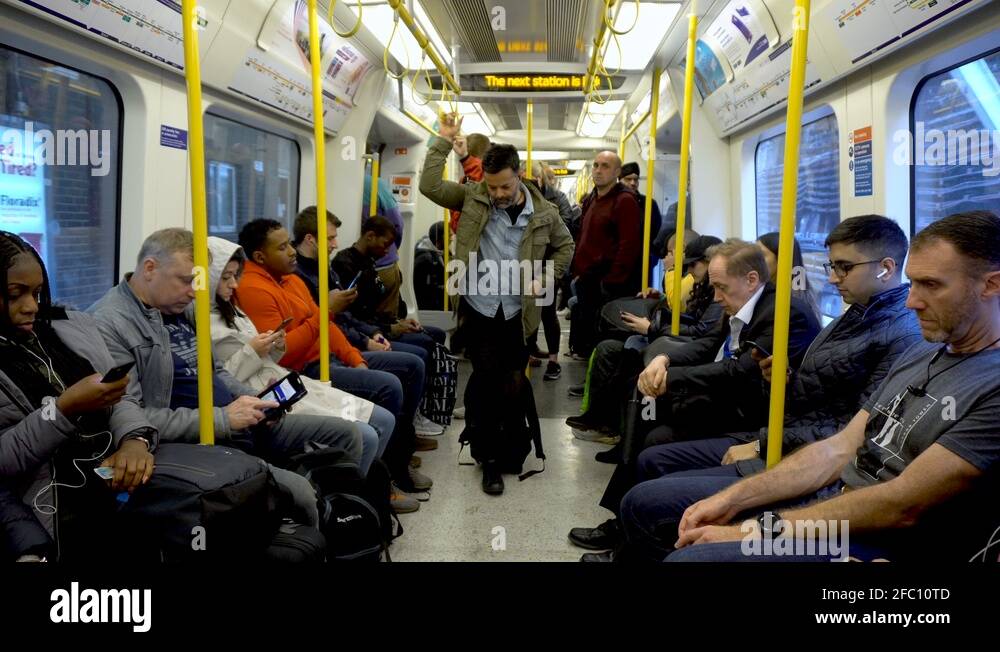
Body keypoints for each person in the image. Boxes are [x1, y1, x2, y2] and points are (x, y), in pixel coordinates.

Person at [644, 210, 1000, 562]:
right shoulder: (920, 352)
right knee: (647, 503)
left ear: (991, 285)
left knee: (688, 552)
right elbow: (841, 446)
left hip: (875, 534)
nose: (912, 300)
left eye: (932, 285)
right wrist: (734, 500)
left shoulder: (984, 383)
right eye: (914, 283)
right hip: (835, 486)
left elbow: (900, 503)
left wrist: (752, 530)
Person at [574, 215, 923, 559]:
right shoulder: (854, 316)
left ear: (886, 267)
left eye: (844, 268)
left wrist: (761, 443)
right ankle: (624, 533)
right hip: (784, 432)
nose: (833, 278)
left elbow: (850, 433)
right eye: (832, 266)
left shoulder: (893, 333)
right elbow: (809, 392)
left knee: (654, 458)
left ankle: (634, 538)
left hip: (785, 445)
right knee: (650, 427)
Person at [88, 228, 363, 481]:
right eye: (186, 281)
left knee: (348, 435)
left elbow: (215, 372)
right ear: (150, 268)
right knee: (300, 492)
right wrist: (223, 419)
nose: (195, 293)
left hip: (238, 423)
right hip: (200, 439)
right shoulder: (110, 324)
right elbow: (136, 415)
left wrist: (252, 399)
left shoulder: (183, 308)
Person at [419, 113, 574, 495]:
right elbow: (429, 186)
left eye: (505, 186)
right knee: (486, 382)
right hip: (480, 306)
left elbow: (565, 246)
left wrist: (548, 276)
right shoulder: (473, 196)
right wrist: (443, 140)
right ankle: (487, 458)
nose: (499, 194)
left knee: (514, 382)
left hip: (521, 312)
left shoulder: (545, 214)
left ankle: (511, 450)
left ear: (518, 175)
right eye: (493, 187)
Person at [232, 220, 434, 502]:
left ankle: (394, 461)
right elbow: (285, 352)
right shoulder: (254, 289)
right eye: (282, 247)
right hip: (304, 369)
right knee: (389, 385)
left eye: (289, 243)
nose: (292, 251)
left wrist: (355, 358)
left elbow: (325, 325)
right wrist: (325, 313)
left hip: (327, 357)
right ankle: (384, 481)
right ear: (259, 257)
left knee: (411, 364)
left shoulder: (291, 280)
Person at [0, 232, 157, 561]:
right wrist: (63, 409)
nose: (31, 306)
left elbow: (119, 395)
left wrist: (134, 440)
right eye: (15, 295)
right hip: (52, 510)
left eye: (38, 293)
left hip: (111, 487)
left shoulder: (69, 325)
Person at [204, 236, 395, 480]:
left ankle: (371, 492)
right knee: (365, 432)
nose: (233, 284)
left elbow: (319, 329)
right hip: (266, 396)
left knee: (382, 418)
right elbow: (220, 378)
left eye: (234, 276)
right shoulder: (209, 319)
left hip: (286, 382)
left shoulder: (236, 306)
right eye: (225, 277)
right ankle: (350, 502)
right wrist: (255, 350)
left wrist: (273, 345)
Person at [292, 207, 444, 438]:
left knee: (425, 347)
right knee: (411, 364)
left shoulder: (327, 269)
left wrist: (373, 332)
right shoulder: (303, 277)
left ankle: (405, 436)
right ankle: (402, 442)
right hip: (319, 359)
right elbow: (326, 323)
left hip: (345, 341)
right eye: (330, 238)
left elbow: (344, 318)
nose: (335, 244)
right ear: (310, 239)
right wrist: (368, 338)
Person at [332, 216, 448, 366]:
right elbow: (357, 316)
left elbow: (375, 310)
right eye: (385, 245)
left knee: (437, 334)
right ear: (370, 236)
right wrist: (392, 328)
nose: (387, 252)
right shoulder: (345, 265)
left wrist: (399, 322)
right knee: (424, 348)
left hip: (379, 326)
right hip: (368, 332)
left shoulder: (369, 262)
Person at [570, 151, 643, 360]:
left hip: (607, 283)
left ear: (617, 172)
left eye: (605, 166)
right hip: (587, 279)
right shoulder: (592, 198)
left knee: (604, 335)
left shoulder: (624, 201)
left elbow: (628, 246)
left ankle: (599, 384)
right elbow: (583, 234)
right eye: (595, 165)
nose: (598, 171)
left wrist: (611, 282)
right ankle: (590, 382)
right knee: (590, 332)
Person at [526, 161, 575, 380]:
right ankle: (529, 351)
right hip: (526, 263)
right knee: (527, 310)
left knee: (546, 311)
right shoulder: (518, 198)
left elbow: (565, 225)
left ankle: (554, 361)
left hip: (547, 263)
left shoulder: (558, 199)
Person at [362, 174, 406, 319]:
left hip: (358, 266)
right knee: (387, 321)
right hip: (383, 266)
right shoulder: (375, 183)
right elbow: (396, 225)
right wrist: (390, 248)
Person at [757, 231, 822, 323]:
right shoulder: (764, 290)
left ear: (782, 259)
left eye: (761, 255)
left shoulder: (794, 304)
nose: (753, 261)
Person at [619, 161, 662, 281]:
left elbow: (656, 231)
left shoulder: (649, 204)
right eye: (628, 179)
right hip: (616, 263)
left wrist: (651, 256)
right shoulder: (612, 203)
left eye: (636, 179)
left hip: (642, 262)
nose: (633, 183)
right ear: (620, 180)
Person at [413, 222, 446, 311]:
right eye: (449, 236)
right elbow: (423, 291)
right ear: (438, 240)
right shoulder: (424, 259)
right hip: (428, 310)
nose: (452, 238)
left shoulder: (439, 252)